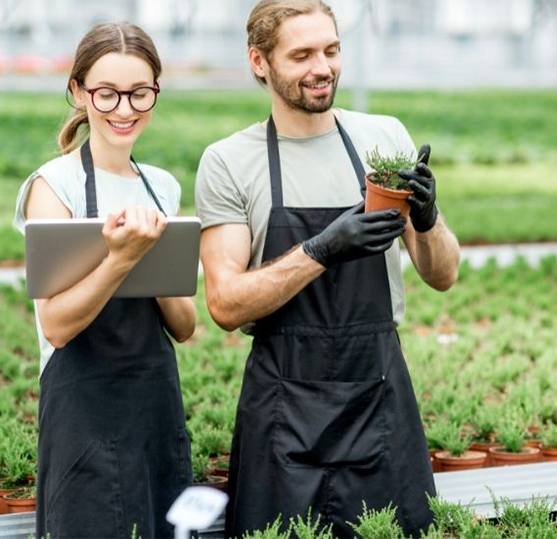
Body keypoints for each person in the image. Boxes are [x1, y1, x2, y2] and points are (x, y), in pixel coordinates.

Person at [194, 1, 460, 536]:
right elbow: (224, 304)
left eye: (332, 50)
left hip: (378, 393)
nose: (323, 68)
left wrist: (427, 218)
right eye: (302, 55)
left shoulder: (383, 139)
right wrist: (320, 250)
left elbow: (443, 274)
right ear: (259, 62)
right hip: (283, 407)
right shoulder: (229, 161)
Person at [13, 22, 195, 539]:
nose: (124, 109)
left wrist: (155, 258)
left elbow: (184, 327)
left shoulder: (162, 188)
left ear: (155, 91)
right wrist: (121, 259)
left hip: (154, 406)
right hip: (82, 415)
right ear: (78, 91)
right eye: (107, 93)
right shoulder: (55, 186)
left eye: (139, 93)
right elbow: (56, 326)